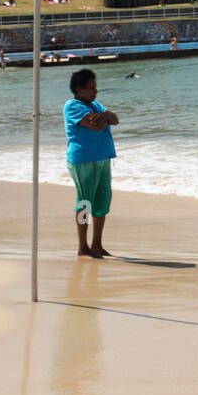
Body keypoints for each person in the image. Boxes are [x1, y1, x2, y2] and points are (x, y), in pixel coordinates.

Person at [63, 69, 119, 258]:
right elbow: (96, 126)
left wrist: (105, 117)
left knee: (102, 201)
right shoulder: (72, 106)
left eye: (96, 88)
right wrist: (105, 118)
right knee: (85, 202)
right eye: (91, 88)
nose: (95, 91)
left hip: (102, 158)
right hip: (83, 160)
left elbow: (115, 119)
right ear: (79, 89)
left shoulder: (95, 105)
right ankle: (82, 246)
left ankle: (97, 244)